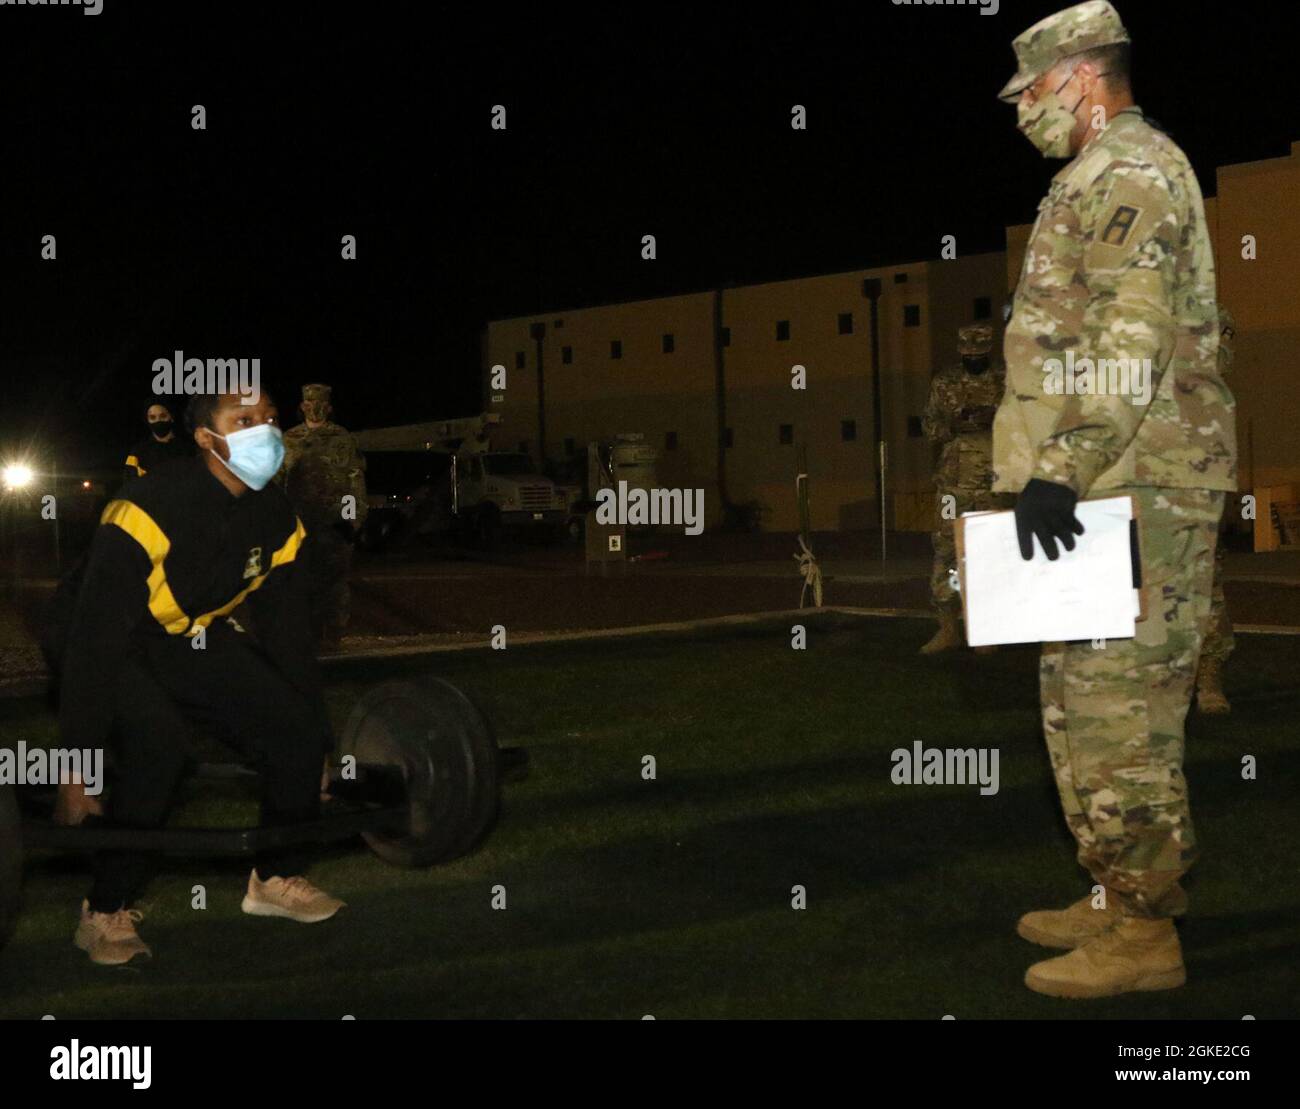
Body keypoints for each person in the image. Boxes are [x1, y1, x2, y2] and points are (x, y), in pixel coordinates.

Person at [993, 1, 1236, 998]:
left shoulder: (1131, 170)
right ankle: (1110, 888)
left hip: (1136, 480)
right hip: (1098, 481)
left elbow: (1129, 335)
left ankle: (1144, 933)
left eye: (1033, 91)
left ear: (1080, 76)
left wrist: (1065, 461)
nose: (1023, 112)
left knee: (1120, 712)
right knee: (1072, 695)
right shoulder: (1088, 177)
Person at [56, 387, 345, 966]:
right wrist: (76, 769)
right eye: (243, 420)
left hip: (189, 632)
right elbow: (94, 645)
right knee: (160, 745)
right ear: (204, 437)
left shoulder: (275, 516)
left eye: (269, 418)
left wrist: (320, 744)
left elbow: (288, 639)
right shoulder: (147, 506)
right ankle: (103, 910)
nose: (264, 430)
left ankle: (275, 878)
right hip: (106, 633)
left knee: (293, 728)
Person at [920, 324, 1014, 654]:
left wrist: (995, 418)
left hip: (994, 482)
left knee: (990, 553)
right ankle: (947, 628)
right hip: (952, 483)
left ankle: (986, 630)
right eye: (967, 356)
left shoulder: (1005, 381)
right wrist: (955, 421)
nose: (973, 360)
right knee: (946, 550)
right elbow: (930, 427)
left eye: (979, 356)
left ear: (988, 351)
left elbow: (1023, 425)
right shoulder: (945, 382)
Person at [279, 384, 368, 649]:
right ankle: (305, 640)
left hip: (334, 525)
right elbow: (277, 481)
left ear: (328, 407)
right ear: (302, 406)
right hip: (300, 526)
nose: (314, 409)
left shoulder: (342, 438)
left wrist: (352, 522)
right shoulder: (289, 439)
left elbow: (355, 481)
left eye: (319, 404)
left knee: (334, 586)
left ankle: (333, 640)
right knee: (300, 583)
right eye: (309, 404)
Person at [1194, 306, 1237, 714]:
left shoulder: (1209, 313)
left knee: (1205, 569)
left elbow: (1210, 370)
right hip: (1136, 461)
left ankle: (1208, 672)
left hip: (1198, 461)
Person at [122, 400, 190, 486]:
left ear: (171, 417)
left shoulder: (188, 449)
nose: (158, 421)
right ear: (147, 421)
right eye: (152, 417)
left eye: (163, 416)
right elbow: (129, 485)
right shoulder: (138, 452)